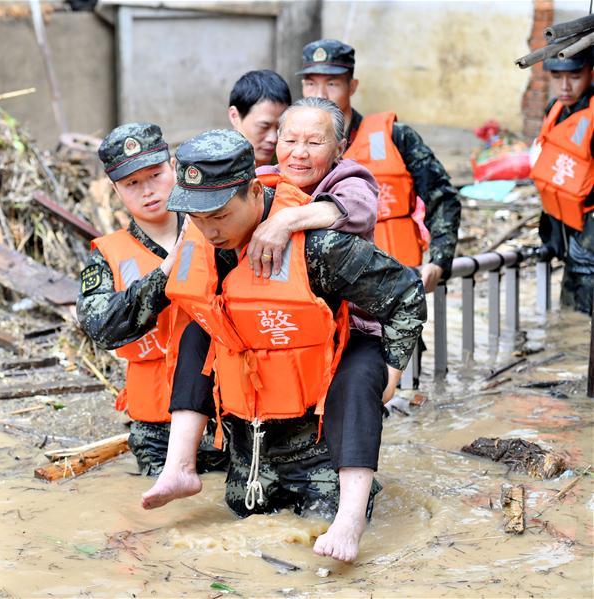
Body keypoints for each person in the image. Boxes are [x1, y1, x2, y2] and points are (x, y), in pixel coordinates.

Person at [148, 123, 425, 563]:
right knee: (198, 329)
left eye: (220, 215)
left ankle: (349, 516)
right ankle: (179, 467)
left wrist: (393, 369)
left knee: (358, 380)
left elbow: (406, 293)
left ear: (255, 194)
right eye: (199, 218)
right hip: (254, 442)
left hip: (320, 420)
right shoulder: (198, 243)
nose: (211, 229)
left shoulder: (318, 246)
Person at [76, 122, 226, 475]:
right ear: (115, 191)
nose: (148, 190)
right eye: (132, 183)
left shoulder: (215, 228)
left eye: (155, 175)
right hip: (156, 428)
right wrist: (164, 273)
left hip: (226, 416)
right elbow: (100, 327)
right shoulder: (107, 255)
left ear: (173, 167)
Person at [298, 39, 462, 294]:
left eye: (332, 84)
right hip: (325, 293)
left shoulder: (395, 136)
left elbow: (442, 196)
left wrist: (439, 260)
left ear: (352, 86)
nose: (320, 95)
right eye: (310, 84)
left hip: (394, 289)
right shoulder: (293, 148)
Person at [530, 46, 594, 314]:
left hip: (590, 230)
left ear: (591, 73)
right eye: (557, 77)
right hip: (568, 224)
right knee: (570, 313)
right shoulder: (555, 109)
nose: (565, 86)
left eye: (574, 76)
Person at [228, 70, 292, 168]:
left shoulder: (293, 167)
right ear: (234, 116)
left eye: (280, 128)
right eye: (264, 126)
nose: (273, 138)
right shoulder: (210, 169)